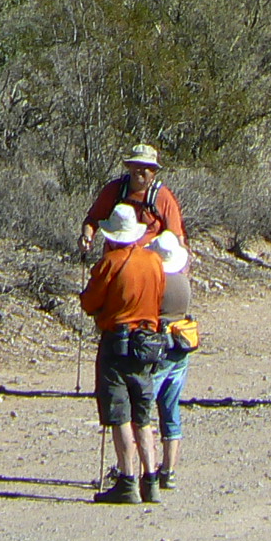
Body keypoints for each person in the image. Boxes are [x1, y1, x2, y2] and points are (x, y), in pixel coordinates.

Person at [80, 203, 166, 504]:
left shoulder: (110, 263)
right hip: (147, 344)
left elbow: (90, 303)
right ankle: (151, 479)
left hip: (117, 343)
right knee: (143, 416)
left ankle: (127, 481)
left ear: (113, 236)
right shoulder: (155, 261)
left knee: (120, 415)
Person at [79, 143, 186, 254]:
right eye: (137, 165)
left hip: (149, 262)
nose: (140, 170)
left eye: (147, 167)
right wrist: (86, 236)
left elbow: (176, 236)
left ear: (154, 171)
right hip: (114, 258)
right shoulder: (114, 190)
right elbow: (93, 219)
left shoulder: (163, 197)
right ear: (129, 166)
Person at [149, 230, 192, 491]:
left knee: (141, 409)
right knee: (171, 408)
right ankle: (169, 470)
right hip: (181, 346)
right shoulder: (183, 283)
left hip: (159, 348)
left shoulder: (157, 283)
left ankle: (138, 468)